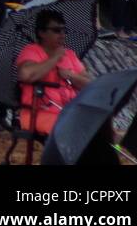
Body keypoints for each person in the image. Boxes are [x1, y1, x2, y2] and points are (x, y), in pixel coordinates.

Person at [16, 8, 90, 136]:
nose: (62, 34)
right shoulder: (31, 51)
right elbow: (26, 75)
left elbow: (90, 85)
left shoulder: (69, 54)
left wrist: (71, 76)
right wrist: (54, 58)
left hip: (71, 112)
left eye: (64, 30)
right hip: (40, 113)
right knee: (72, 129)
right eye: (56, 30)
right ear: (41, 33)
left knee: (101, 123)